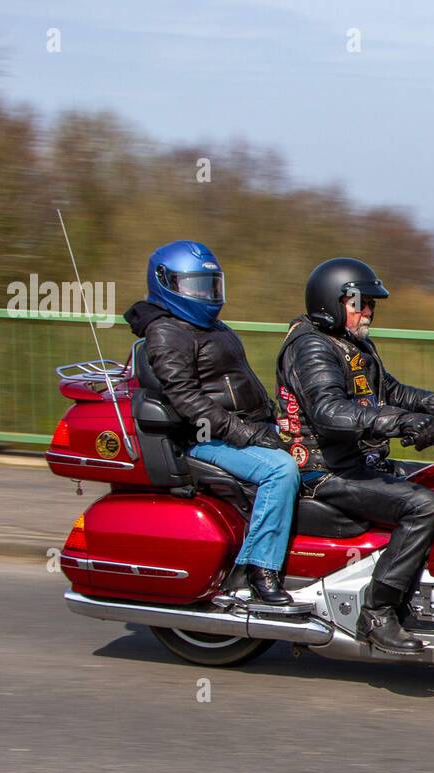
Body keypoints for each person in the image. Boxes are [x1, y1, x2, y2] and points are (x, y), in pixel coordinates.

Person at [275, 257, 434, 653]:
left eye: (371, 304)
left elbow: (394, 393)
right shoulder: (311, 347)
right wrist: (403, 423)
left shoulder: (351, 342)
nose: (368, 311)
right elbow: (330, 411)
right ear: (331, 302)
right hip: (324, 470)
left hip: (359, 463)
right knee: (423, 506)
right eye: (359, 303)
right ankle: (377, 613)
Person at [125, 240, 302, 606]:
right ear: (166, 283)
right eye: (195, 286)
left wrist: (277, 421)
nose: (205, 295)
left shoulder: (207, 326)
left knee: (314, 451)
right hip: (205, 438)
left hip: (242, 428)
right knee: (280, 470)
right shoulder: (167, 331)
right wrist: (247, 433)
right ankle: (258, 569)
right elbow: (186, 399)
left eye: (209, 286)